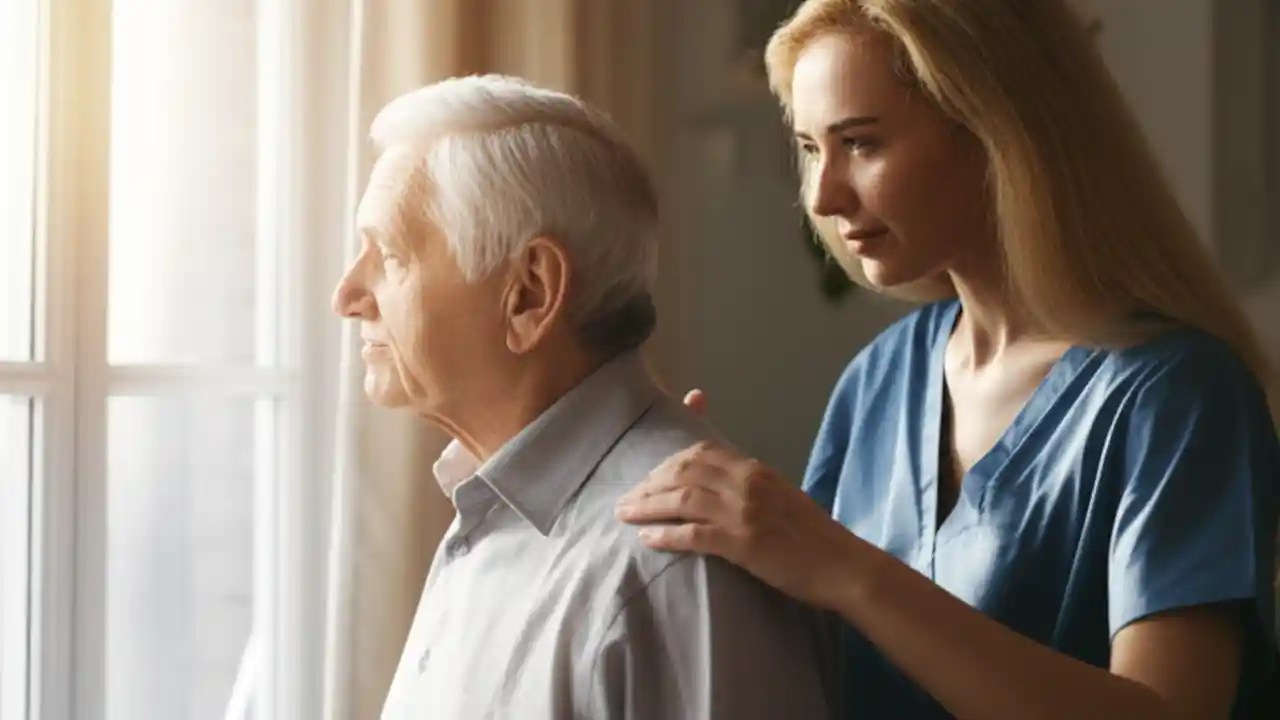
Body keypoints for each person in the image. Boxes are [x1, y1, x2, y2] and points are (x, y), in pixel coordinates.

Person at [615, 1, 1280, 717]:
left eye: (862, 144)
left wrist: (845, 567)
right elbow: (808, 666)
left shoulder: (1176, 393)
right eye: (811, 149)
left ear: (994, 131)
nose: (823, 195)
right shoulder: (880, 378)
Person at [331, 74, 835, 719]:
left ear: (531, 293)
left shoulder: (678, 563)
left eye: (391, 255)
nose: (347, 296)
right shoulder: (492, 509)